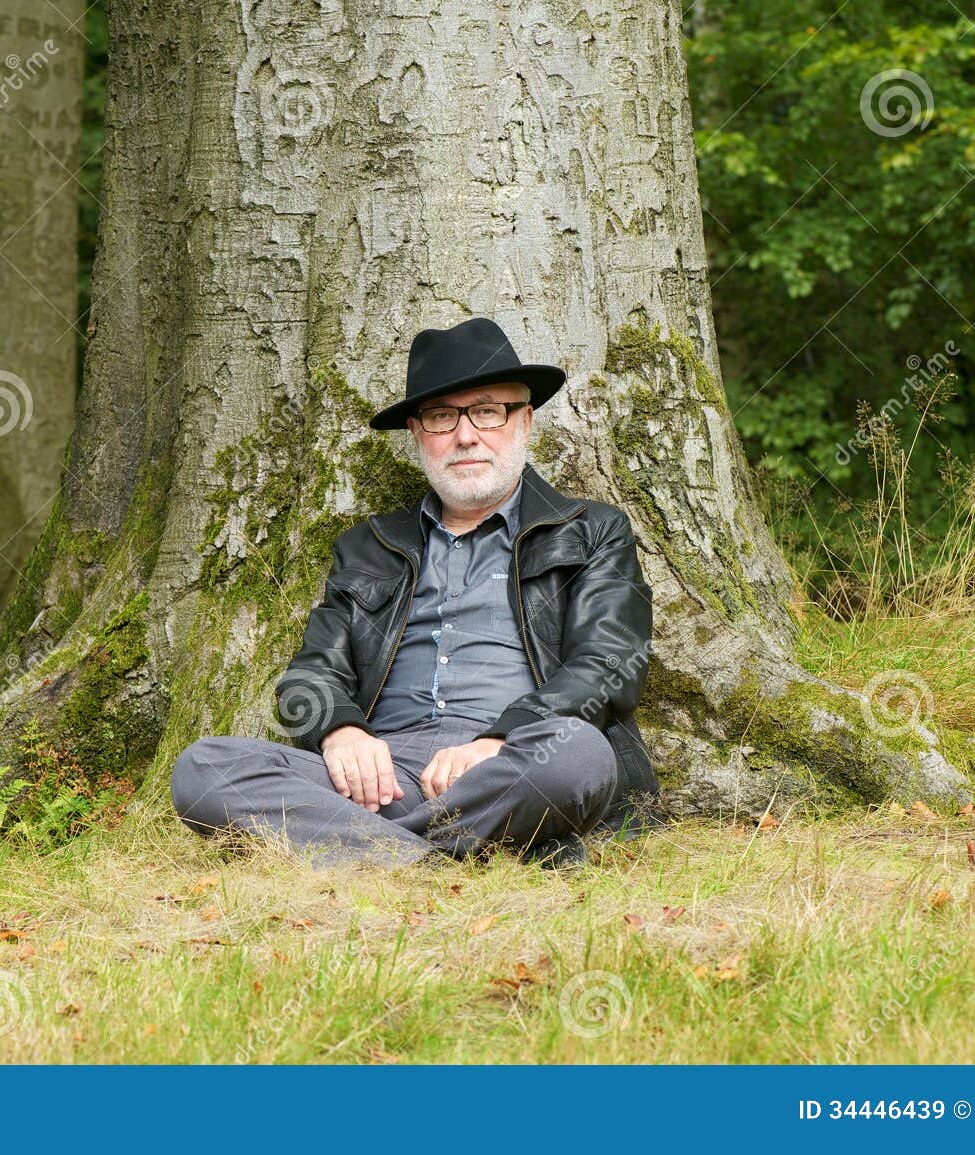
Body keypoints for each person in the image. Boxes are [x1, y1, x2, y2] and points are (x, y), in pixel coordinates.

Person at [170, 316, 659, 868]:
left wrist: (499, 740)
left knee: (580, 754)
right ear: (417, 432)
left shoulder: (591, 531)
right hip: (384, 779)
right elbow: (310, 675)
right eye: (441, 416)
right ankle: (441, 856)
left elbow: (610, 665)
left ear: (525, 421)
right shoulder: (369, 547)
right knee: (203, 768)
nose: (465, 436)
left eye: (487, 411)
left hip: (516, 761)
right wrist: (340, 731)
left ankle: (371, 849)